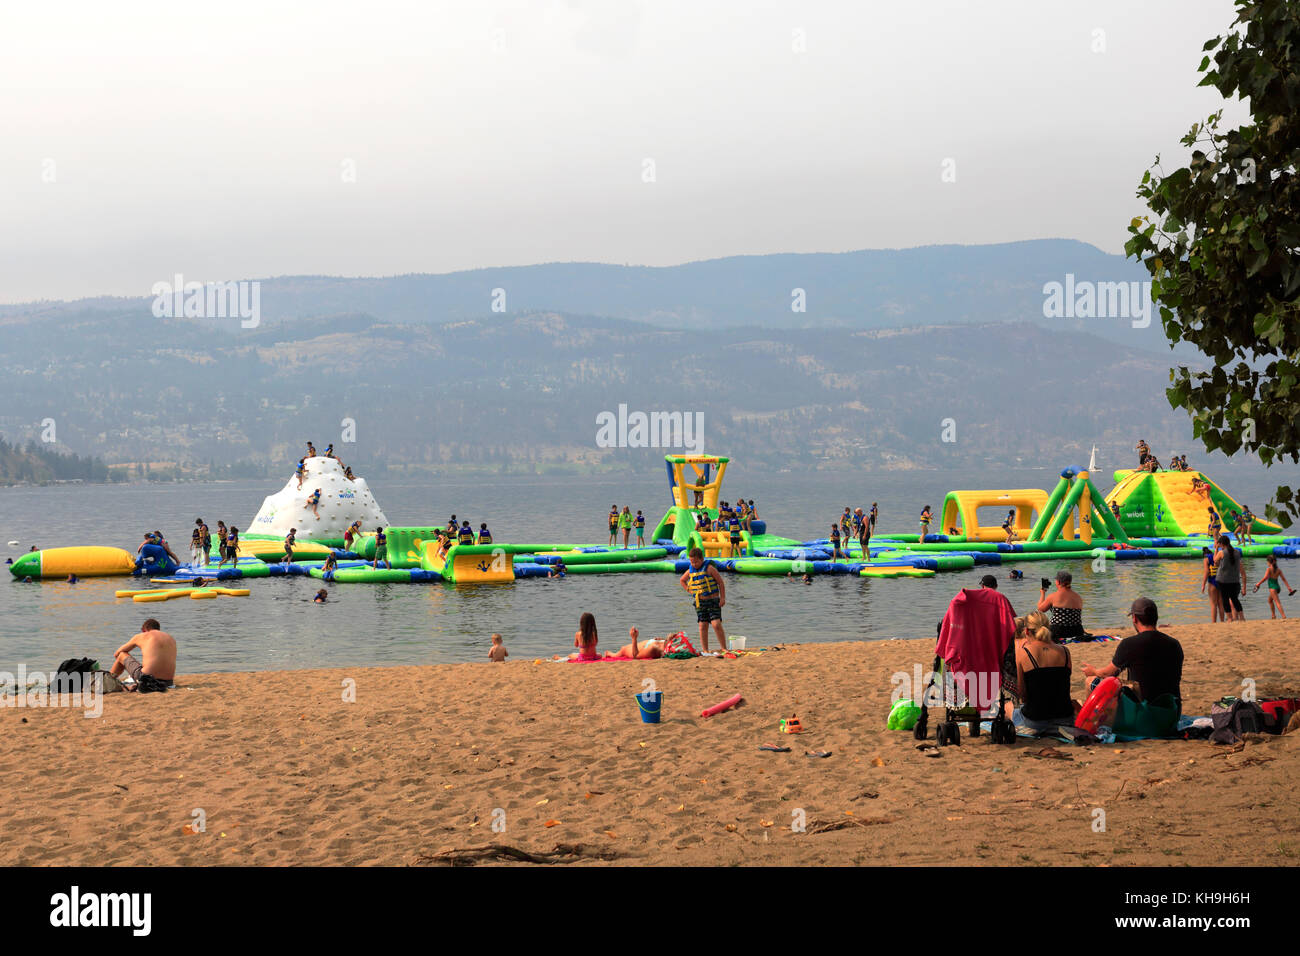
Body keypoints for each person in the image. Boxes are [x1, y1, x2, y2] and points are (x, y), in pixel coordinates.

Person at [1082, 597, 1183, 723]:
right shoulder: (1175, 644)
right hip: (1172, 712)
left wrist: (1094, 671)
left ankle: (1090, 723)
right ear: (1156, 617)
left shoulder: (1129, 644)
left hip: (1143, 712)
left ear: (1134, 618)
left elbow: (1107, 674)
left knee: (1091, 681)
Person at [1005, 610, 1077, 731]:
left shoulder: (1024, 653)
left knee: (1008, 706)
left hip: (1036, 720)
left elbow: (1022, 693)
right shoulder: (1065, 651)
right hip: (1065, 718)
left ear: (1027, 631)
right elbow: (1064, 687)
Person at [107, 618, 176, 693]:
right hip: (168, 682)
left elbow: (117, 653)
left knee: (121, 655)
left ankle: (108, 681)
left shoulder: (142, 636)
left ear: (144, 630)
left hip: (147, 679)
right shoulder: (170, 638)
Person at [679, 547, 726, 653]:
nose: (694, 564)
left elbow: (721, 583)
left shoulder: (709, 568)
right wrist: (690, 590)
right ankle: (705, 650)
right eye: (692, 562)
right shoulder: (690, 570)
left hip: (713, 600)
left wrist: (722, 598)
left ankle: (724, 647)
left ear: (702, 559)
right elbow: (682, 580)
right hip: (700, 602)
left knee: (716, 624)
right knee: (702, 625)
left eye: (696, 562)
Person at [1036, 570, 1085, 640]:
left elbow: (1040, 610)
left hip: (1058, 631)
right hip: (1077, 631)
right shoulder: (1078, 597)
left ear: (1058, 582)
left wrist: (1043, 593)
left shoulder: (1053, 596)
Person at [1215, 534, 1244, 621]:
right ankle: (1242, 617)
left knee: (1225, 599)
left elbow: (1215, 561)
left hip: (1223, 579)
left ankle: (1229, 618)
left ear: (1221, 544)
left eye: (1219, 544)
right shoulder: (1237, 552)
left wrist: (1216, 549)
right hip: (1234, 579)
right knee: (1235, 599)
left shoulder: (1221, 552)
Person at [1201, 547, 1224, 623]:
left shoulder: (1206, 559)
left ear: (1204, 554)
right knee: (1221, 603)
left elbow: (1207, 572)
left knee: (1213, 604)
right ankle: (1222, 621)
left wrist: (1203, 584)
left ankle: (1214, 623)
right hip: (1221, 581)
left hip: (1212, 582)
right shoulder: (1218, 557)